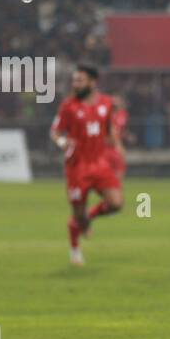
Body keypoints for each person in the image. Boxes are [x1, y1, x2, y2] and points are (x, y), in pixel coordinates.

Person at [50, 66, 123, 265]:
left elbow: (109, 130)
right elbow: (55, 133)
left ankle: (88, 218)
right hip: (77, 167)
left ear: (92, 82)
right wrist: (63, 143)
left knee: (116, 204)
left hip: (100, 163)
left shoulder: (107, 103)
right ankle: (75, 250)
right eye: (74, 80)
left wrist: (117, 146)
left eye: (80, 80)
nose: (75, 84)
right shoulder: (68, 106)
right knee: (77, 215)